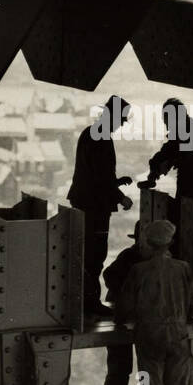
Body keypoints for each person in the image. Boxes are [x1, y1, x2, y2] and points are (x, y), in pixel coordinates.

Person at [114, 220, 193, 385]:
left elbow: (124, 307)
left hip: (148, 343)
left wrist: (120, 319)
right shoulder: (183, 268)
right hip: (178, 340)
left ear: (148, 243)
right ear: (170, 243)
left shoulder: (138, 271)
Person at [68, 95, 133, 316]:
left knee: (87, 254)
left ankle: (85, 301)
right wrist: (121, 197)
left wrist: (116, 183)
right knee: (95, 256)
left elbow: (93, 174)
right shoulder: (102, 137)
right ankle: (90, 303)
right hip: (95, 207)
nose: (122, 123)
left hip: (85, 202)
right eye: (122, 119)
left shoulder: (90, 132)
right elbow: (101, 178)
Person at [94, 222, 146, 385]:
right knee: (124, 369)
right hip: (124, 318)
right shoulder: (132, 257)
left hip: (125, 317)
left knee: (122, 369)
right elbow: (110, 276)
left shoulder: (132, 256)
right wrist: (128, 293)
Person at [139, 98, 193, 208]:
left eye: (168, 122)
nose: (167, 127)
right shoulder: (177, 136)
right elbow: (162, 155)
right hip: (186, 194)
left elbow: (192, 154)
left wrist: (170, 162)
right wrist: (154, 172)